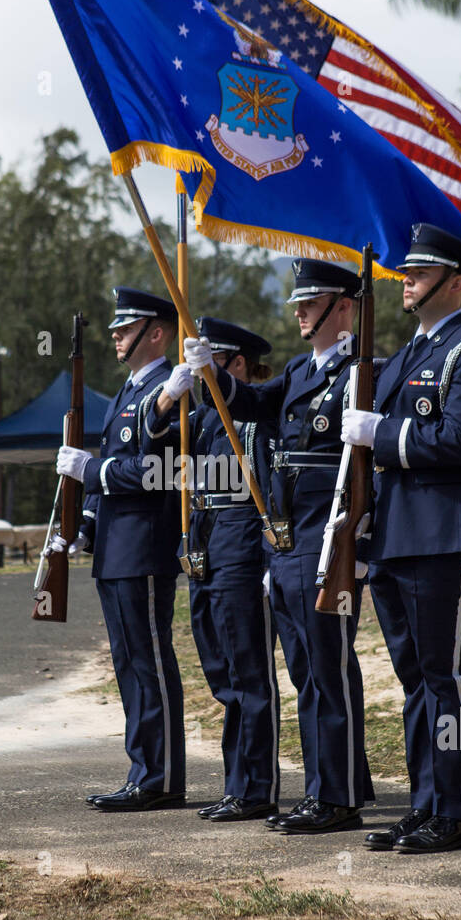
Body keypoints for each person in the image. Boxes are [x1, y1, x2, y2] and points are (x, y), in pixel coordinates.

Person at [184, 259, 375, 834]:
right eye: (297, 302)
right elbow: (256, 405)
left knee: (329, 670)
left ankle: (337, 796)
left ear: (345, 306)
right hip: (287, 543)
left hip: (329, 537)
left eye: (311, 302)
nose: (299, 311)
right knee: (305, 673)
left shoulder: (361, 372)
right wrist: (214, 380)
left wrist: (362, 539)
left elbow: (369, 469)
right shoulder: (298, 370)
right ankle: (326, 788)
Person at [342, 222, 461, 854]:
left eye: (419, 271)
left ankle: (459, 810)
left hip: (445, 534)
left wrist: (379, 434)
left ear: (456, 282)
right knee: (416, 676)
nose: (405, 279)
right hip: (394, 536)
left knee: (447, 675)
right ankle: (427, 802)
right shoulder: (405, 357)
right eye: (406, 271)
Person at [54, 286, 185, 811]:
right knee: (129, 663)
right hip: (115, 547)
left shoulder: (172, 390)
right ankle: (143, 770)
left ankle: (161, 778)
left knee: (150, 662)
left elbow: (158, 470)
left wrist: (94, 471)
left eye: (126, 328)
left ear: (156, 333)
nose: (115, 336)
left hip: (146, 546)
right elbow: (113, 459)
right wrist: (85, 521)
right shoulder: (128, 391)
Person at [146, 317, 280, 822]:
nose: (199, 373)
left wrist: (270, 557)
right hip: (203, 545)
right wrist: (165, 396)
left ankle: (256, 787)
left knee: (249, 673)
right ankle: (237, 782)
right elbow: (150, 447)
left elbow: (269, 488)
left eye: (209, 362)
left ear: (237, 364)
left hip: (243, 546)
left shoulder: (252, 416)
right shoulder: (199, 419)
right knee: (222, 675)